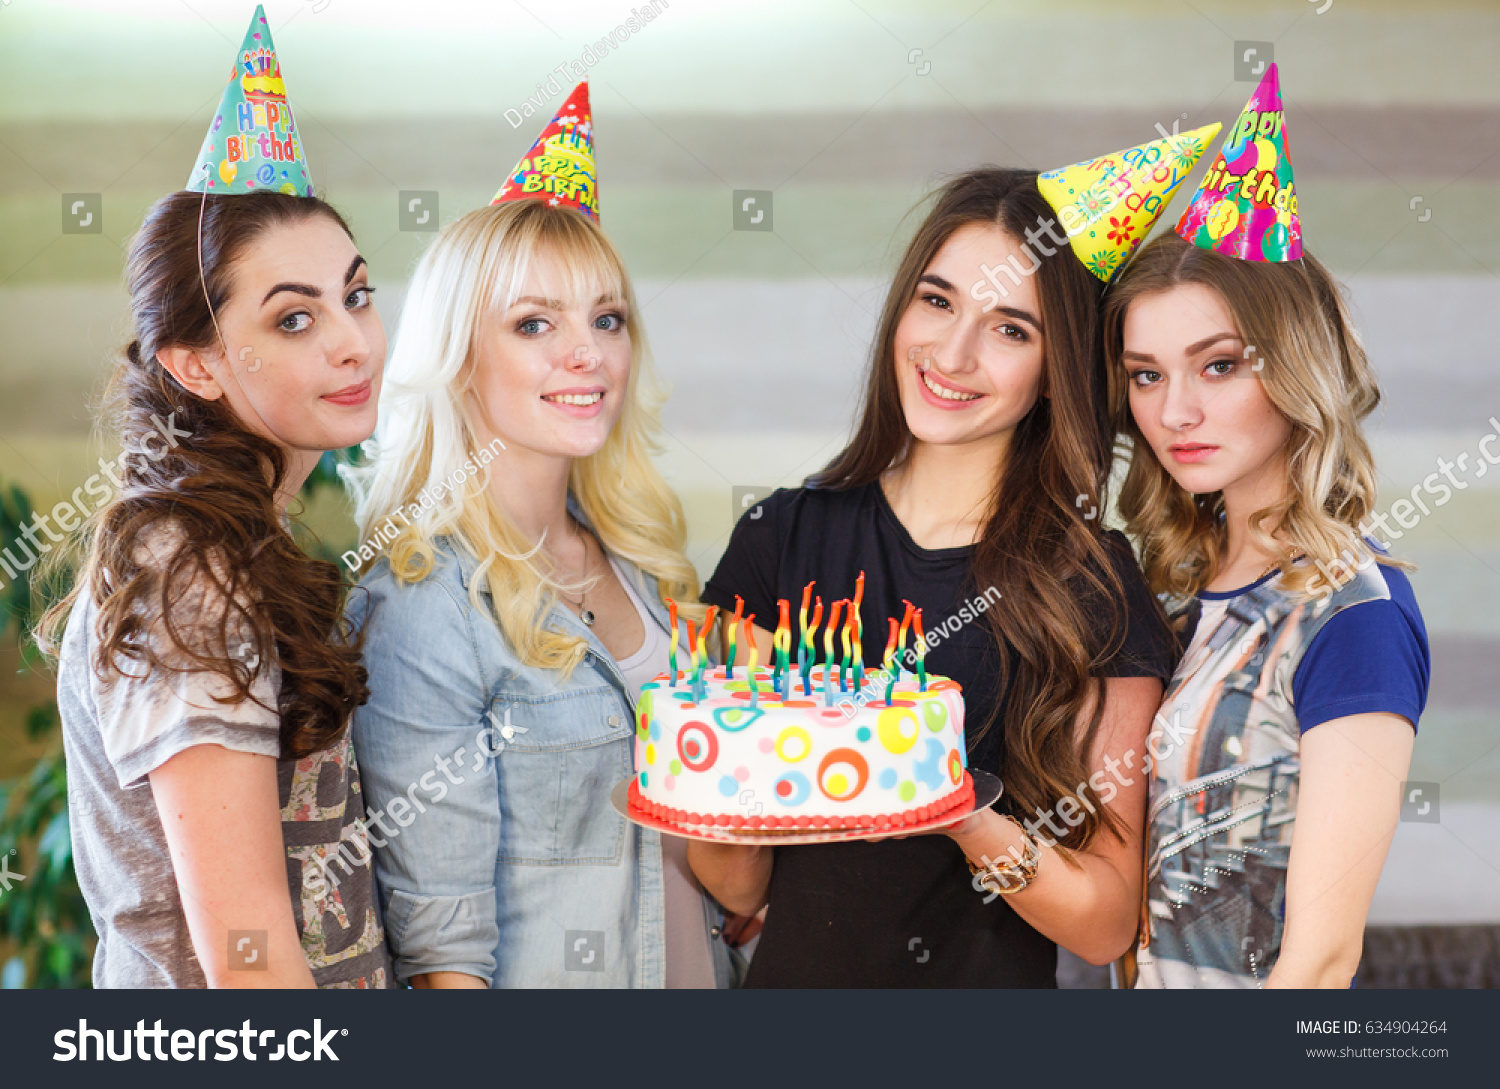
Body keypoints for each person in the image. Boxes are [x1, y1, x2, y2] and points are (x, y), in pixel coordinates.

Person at [688, 162, 1189, 987]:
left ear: (1055, 369)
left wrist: (955, 808)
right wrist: (711, 796)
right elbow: (741, 885)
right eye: (938, 300)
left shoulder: (1092, 585)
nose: (952, 353)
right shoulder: (780, 538)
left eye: (1010, 329)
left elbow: (1105, 922)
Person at [345, 83, 731, 988]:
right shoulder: (422, 603)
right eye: (533, 323)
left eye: (607, 318)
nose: (587, 352)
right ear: (459, 358)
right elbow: (445, 961)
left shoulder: (641, 562)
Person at [38, 9, 391, 988]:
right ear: (195, 363)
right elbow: (249, 960)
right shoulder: (183, 570)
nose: (353, 342)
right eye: (294, 319)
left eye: (356, 295)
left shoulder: (247, 542)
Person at [1107, 64, 1429, 988]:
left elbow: (1321, 958)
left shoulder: (1353, 613)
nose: (1175, 411)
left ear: (1294, 367)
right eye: (1146, 374)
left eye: (1218, 365)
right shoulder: (1172, 591)